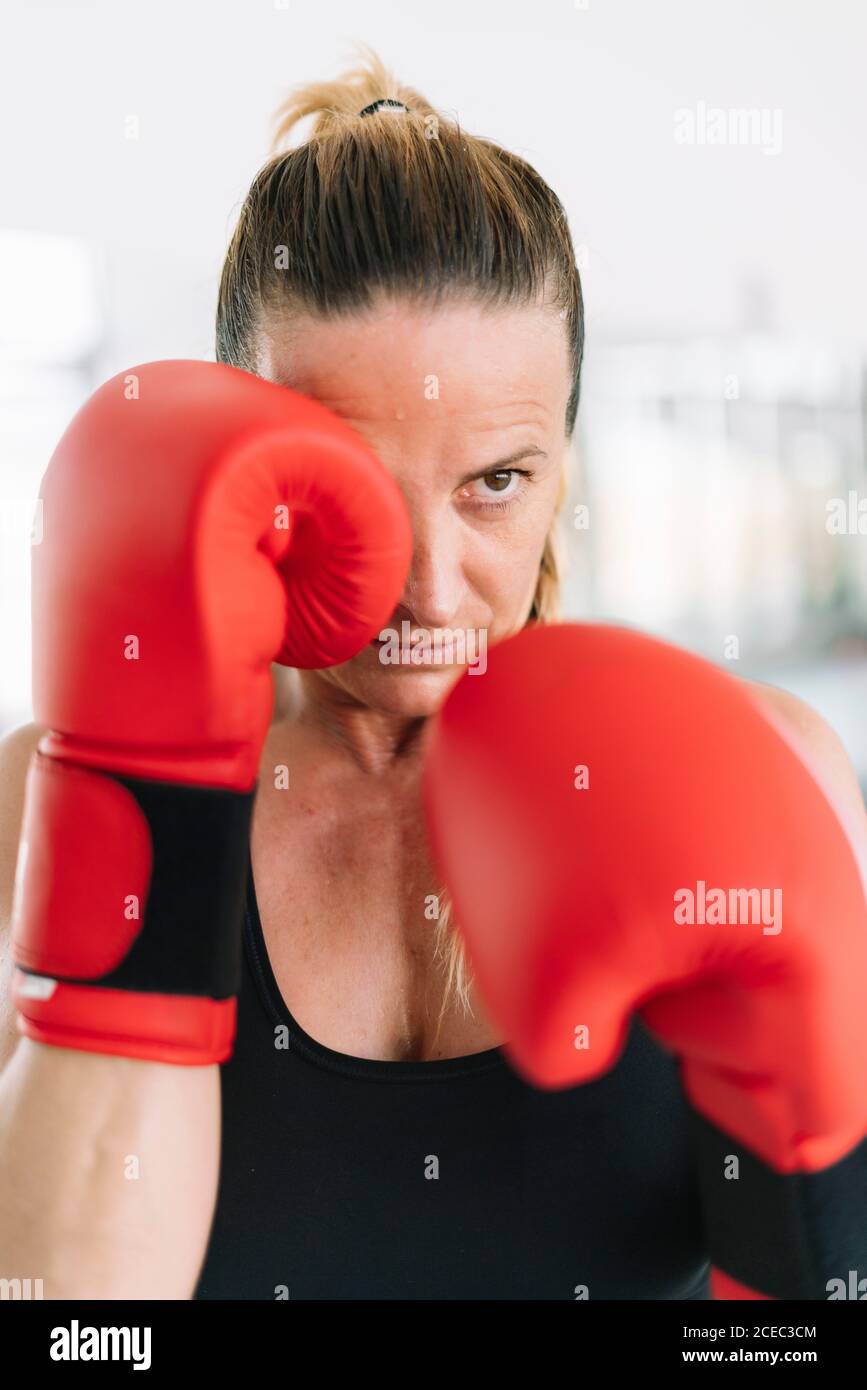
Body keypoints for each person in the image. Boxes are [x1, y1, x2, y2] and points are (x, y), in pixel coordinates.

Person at [0, 46, 865, 1301]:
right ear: (239, 454)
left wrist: (811, 1185)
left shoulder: (773, 770)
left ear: (565, 461)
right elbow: (70, 1326)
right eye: (351, 496)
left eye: (496, 483)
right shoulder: (53, 799)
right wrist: (153, 795)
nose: (427, 589)